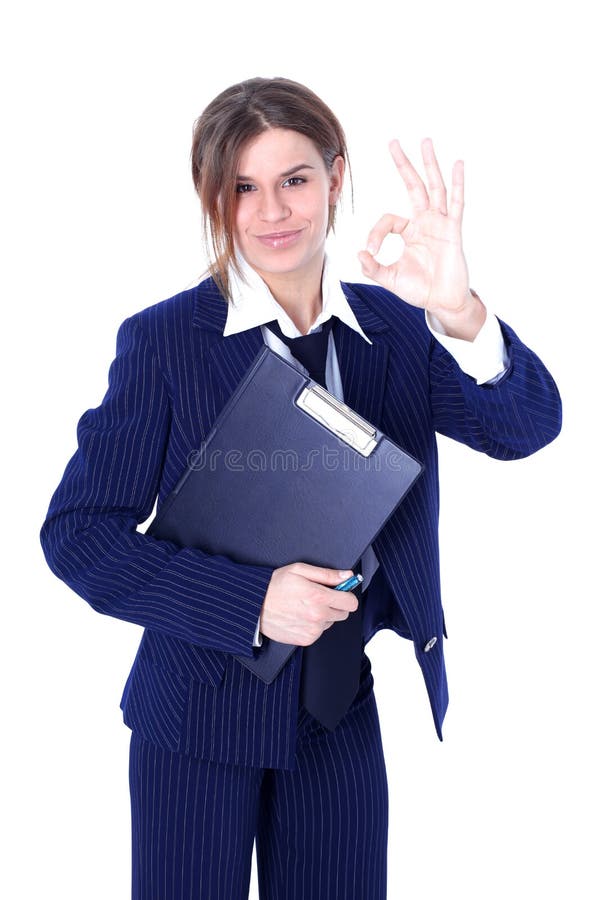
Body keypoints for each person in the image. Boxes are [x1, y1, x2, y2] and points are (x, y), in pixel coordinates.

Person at [40, 76, 561, 899]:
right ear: (214, 197)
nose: (272, 211)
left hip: (338, 711)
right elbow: (77, 533)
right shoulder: (165, 341)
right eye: (243, 188)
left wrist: (460, 312)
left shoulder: (397, 326)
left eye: (295, 180)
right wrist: (250, 602)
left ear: (336, 177)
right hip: (198, 717)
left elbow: (525, 427)